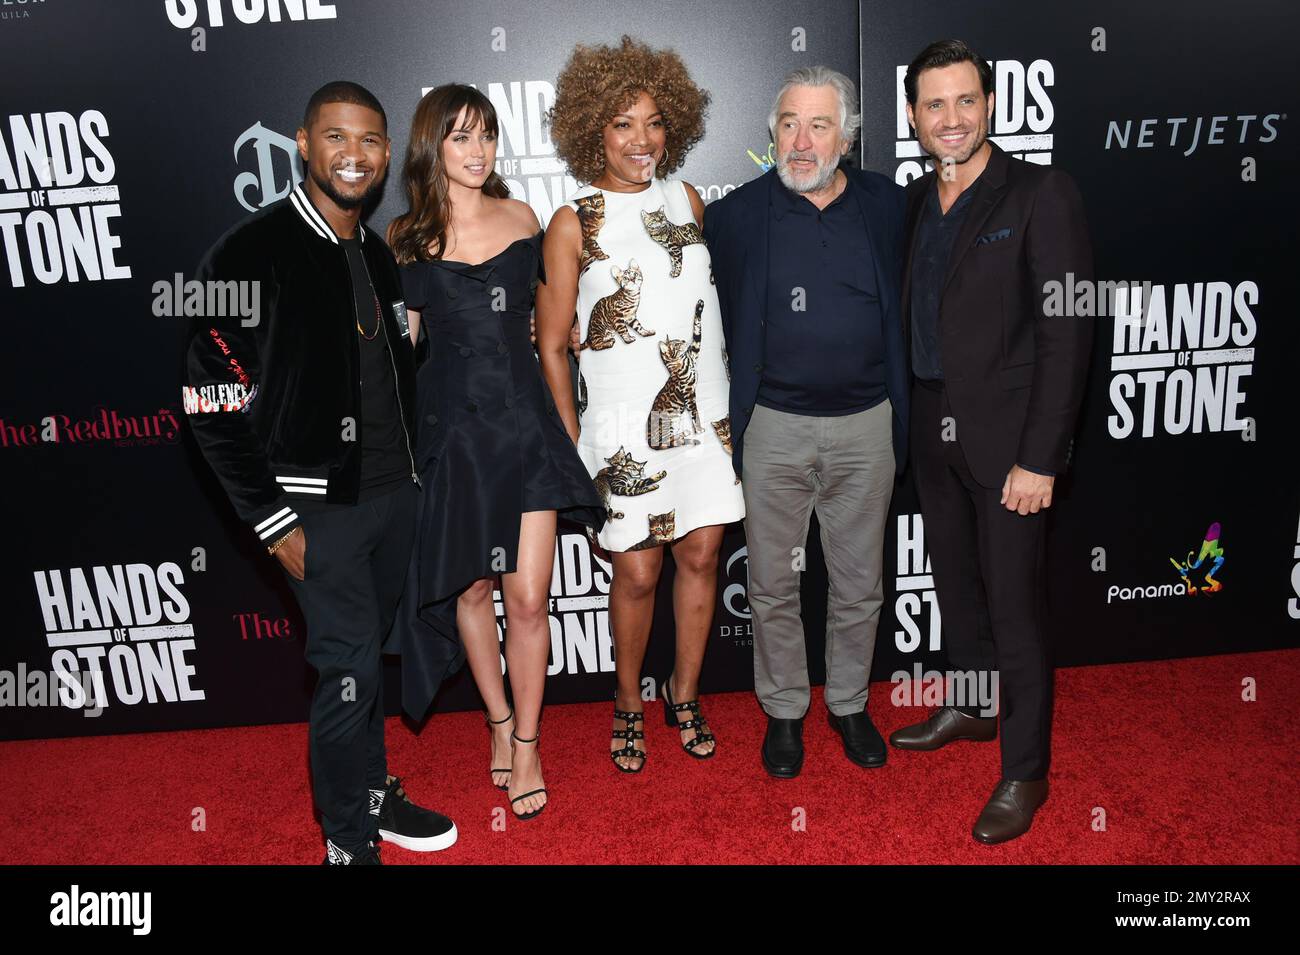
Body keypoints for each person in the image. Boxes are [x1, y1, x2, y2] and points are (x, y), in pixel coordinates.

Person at [183, 81, 456, 864]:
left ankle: (370, 792)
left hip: (390, 499)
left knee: (364, 663)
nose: (354, 155)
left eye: (370, 140)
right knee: (345, 668)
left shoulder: (376, 251)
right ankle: (345, 841)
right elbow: (207, 399)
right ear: (303, 143)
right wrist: (273, 520)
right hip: (316, 512)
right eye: (336, 137)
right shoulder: (248, 252)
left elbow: (392, 366)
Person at [889, 39, 1093, 844]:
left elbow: (1069, 331)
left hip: (1012, 443)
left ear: (991, 106)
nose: (951, 119)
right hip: (931, 427)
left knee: (1016, 607)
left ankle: (1025, 769)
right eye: (934, 105)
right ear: (913, 116)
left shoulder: (1043, 193)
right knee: (958, 589)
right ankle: (973, 706)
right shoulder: (912, 200)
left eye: (965, 101)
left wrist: (1042, 455)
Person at [387, 84, 604, 820]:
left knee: (528, 596)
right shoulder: (406, 238)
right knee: (474, 591)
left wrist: (571, 423)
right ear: (432, 148)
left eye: (486, 135)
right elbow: (400, 351)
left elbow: (551, 334)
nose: (478, 151)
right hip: (455, 439)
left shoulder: (524, 218)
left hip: (523, 431)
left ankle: (532, 743)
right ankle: (498, 720)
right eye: (460, 137)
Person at [537, 36, 744, 773]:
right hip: (621, 425)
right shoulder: (572, 221)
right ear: (594, 127)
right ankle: (628, 700)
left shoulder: (686, 200)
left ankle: (684, 693)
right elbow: (553, 341)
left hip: (704, 418)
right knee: (638, 572)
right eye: (624, 123)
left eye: (655, 122)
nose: (641, 139)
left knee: (701, 554)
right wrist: (570, 432)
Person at [704, 66, 908, 779]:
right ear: (771, 132)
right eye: (789, 123)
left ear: (847, 137)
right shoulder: (732, 217)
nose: (801, 139)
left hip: (867, 428)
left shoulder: (890, 206)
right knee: (771, 584)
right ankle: (785, 710)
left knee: (859, 583)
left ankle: (849, 702)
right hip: (774, 431)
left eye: (819, 125)